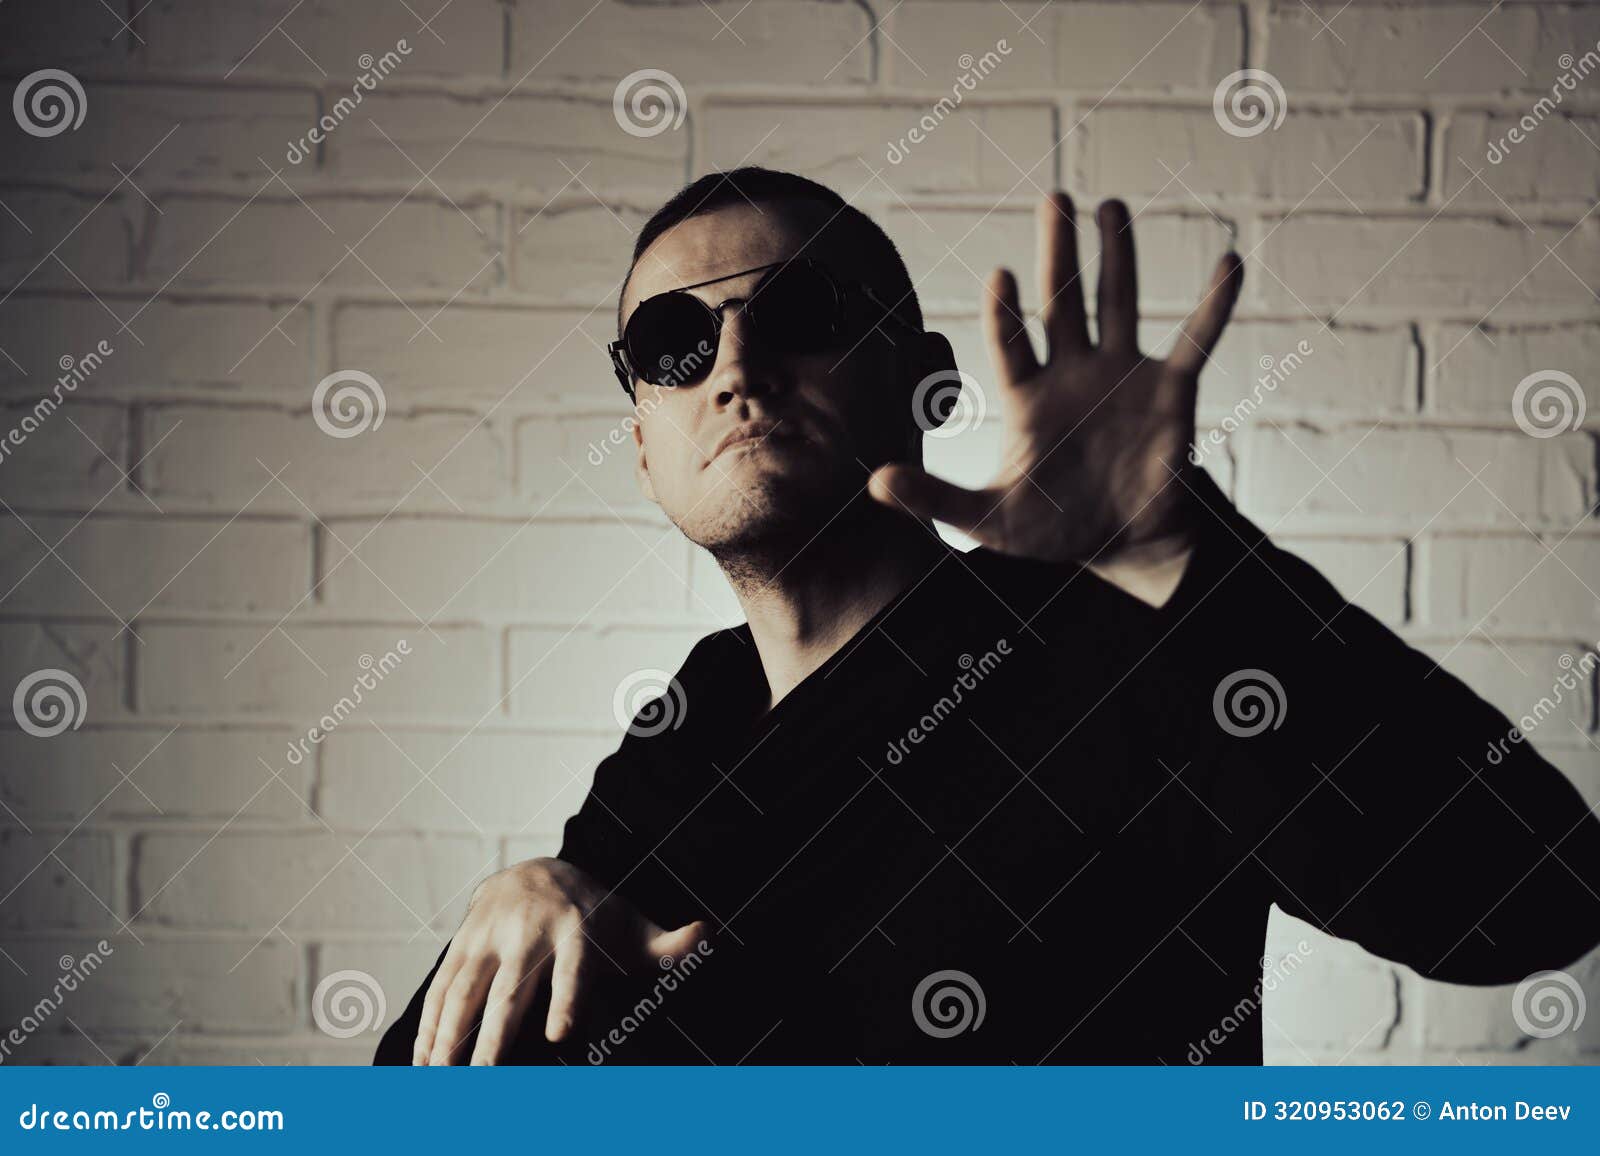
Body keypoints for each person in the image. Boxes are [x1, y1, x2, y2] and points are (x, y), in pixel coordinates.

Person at [375, 167, 1600, 1066]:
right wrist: (525, 902)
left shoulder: (1114, 638)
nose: (737, 366)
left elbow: (1526, 897)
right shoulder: (687, 736)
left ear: (927, 384)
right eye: (674, 341)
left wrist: (1178, 556)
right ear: (642, 445)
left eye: (801, 314)